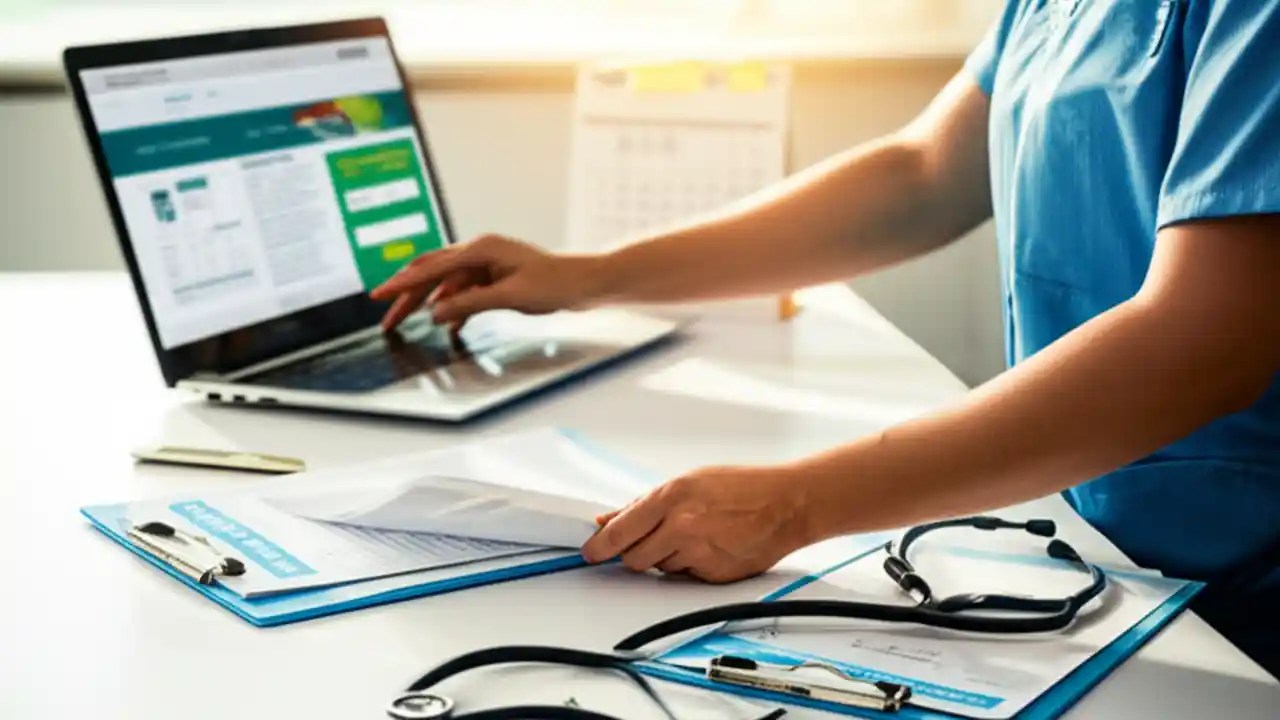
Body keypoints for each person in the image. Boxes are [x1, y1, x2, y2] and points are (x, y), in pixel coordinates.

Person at [373, 0, 1280, 675]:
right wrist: (593, 274)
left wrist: (798, 503)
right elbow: (922, 176)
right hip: (1112, 559)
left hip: (1252, 587)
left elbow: (1204, 337)